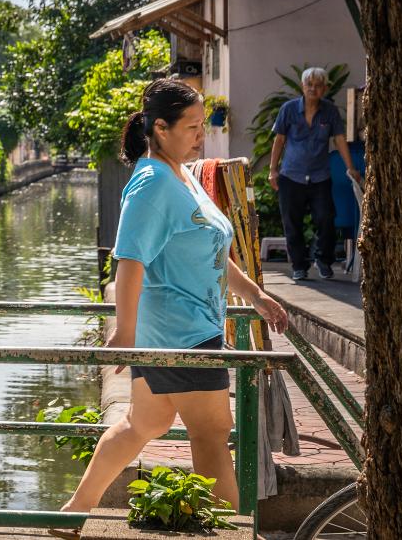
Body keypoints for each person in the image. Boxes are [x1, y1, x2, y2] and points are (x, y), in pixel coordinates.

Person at [52, 78, 287, 539]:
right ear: (160, 127)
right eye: (192, 127)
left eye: (203, 125)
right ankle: (232, 535)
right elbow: (130, 258)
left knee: (147, 421)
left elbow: (213, 249)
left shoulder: (181, 174)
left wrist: (255, 295)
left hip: (187, 324)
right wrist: (124, 332)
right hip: (180, 332)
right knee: (213, 434)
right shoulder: (151, 182)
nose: (201, 135)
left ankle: (73, 512)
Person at [268, 66, 363, 281]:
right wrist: (273, 171)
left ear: (325, 88)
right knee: (292, 223)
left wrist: (350, 167)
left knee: (326, 219)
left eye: (318, 85)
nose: (313, 88)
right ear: (303, 86)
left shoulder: (330, 111)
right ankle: (299, 265)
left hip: (320, 176)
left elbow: (339, 139)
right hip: (291, 176)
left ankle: (323, 261)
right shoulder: (289, 109)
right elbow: (279, 140)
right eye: (309, 84)